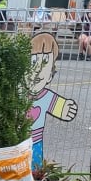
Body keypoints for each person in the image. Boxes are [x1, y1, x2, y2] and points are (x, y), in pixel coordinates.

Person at [28, 33, 79, 168]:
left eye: (45, 63)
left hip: (36, 142)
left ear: (50, 75)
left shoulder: (46, 96)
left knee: (34, 169)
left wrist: (66, 108)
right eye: (34, 62)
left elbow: (62, 109)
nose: (38, 70)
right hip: (16, 142)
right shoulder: (18, 94)